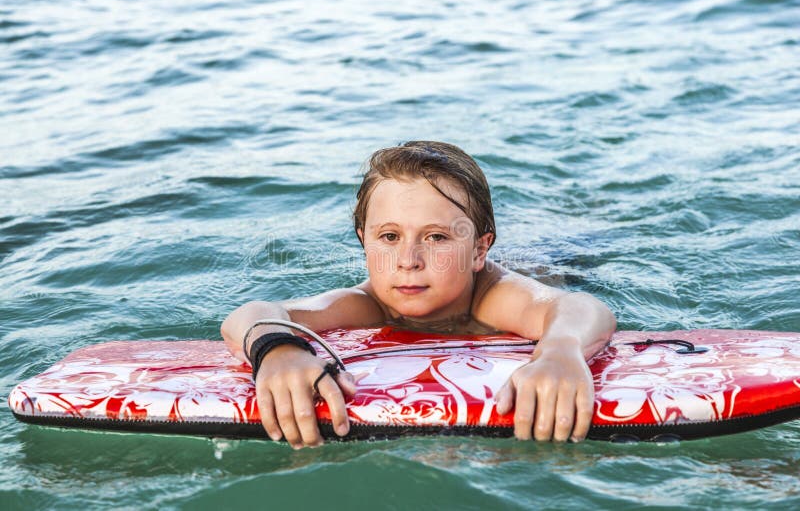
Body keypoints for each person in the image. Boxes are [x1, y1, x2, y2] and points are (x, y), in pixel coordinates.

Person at [221, 140, 616, 449]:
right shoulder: (368, 303)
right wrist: (277, 349)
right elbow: (252, 313)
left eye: (436, 237)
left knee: (579, 243)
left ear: (479, 250)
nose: (408, 260)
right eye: (389, 237)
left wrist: (560, 350)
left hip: (555, 265)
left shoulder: (493, 297)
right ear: (365, 242)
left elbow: (580, 306)